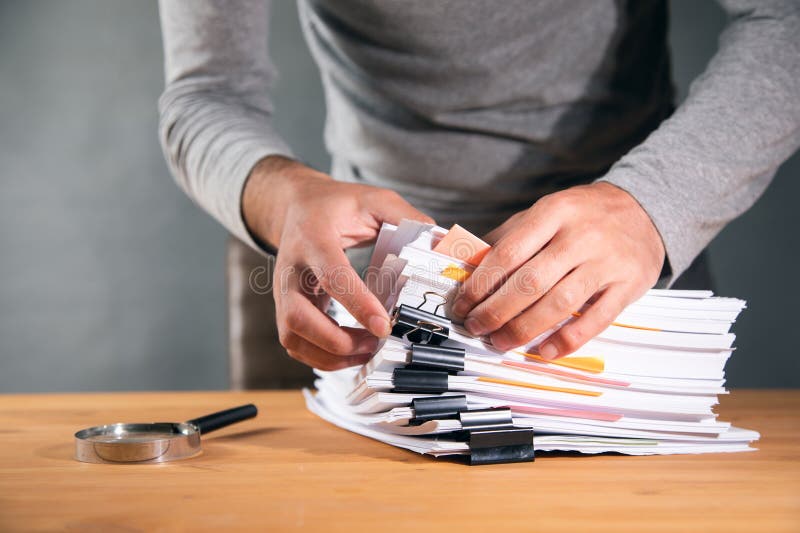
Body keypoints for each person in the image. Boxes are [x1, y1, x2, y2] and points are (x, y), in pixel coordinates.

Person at [158, 1, 800, 375]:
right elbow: (207, 94)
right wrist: (285, 195)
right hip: (372, 307)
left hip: (619, 284)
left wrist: (650, 204)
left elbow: (785, 20)